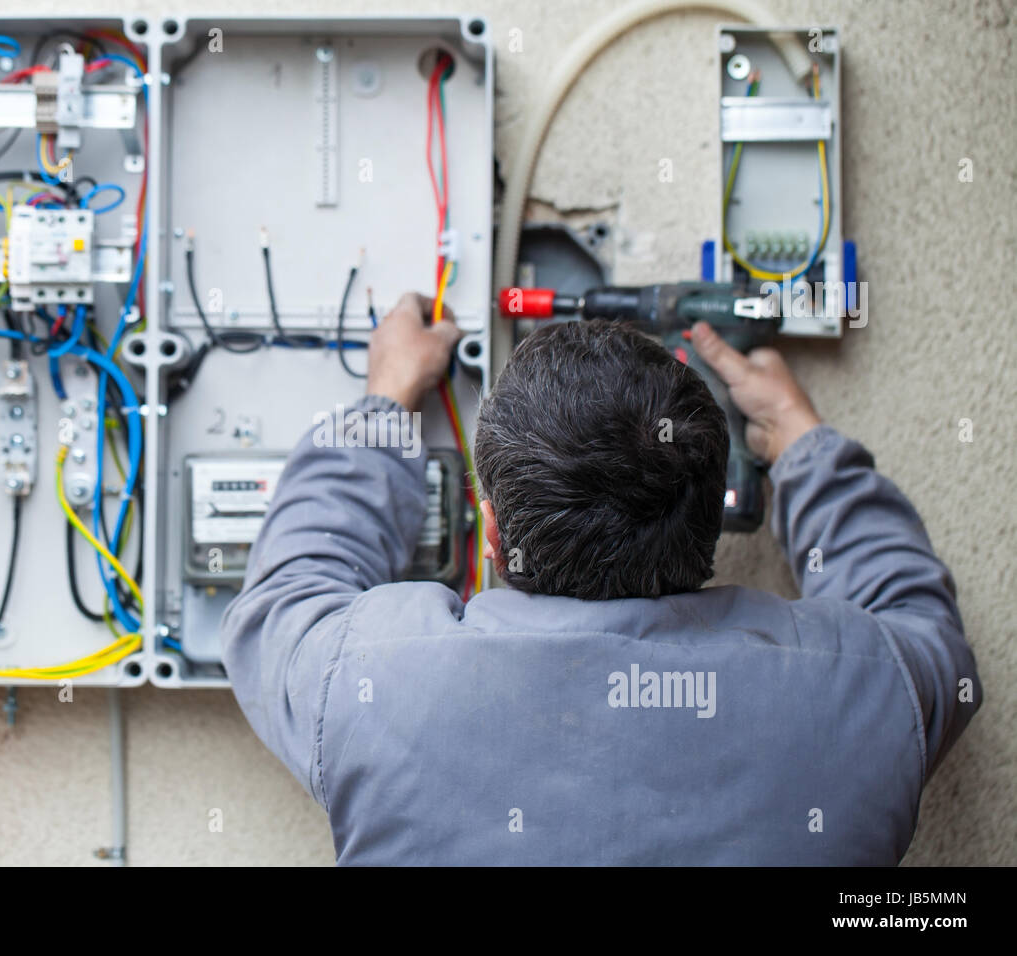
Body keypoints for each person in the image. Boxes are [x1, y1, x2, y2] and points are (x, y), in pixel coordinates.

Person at [220, 292, 982, 865]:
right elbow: (920, 623)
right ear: (714, 523)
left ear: (490, 534)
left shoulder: (362, 687)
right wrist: (806, 445)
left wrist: (385, 404)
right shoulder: (867, 695)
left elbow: (287, 594)